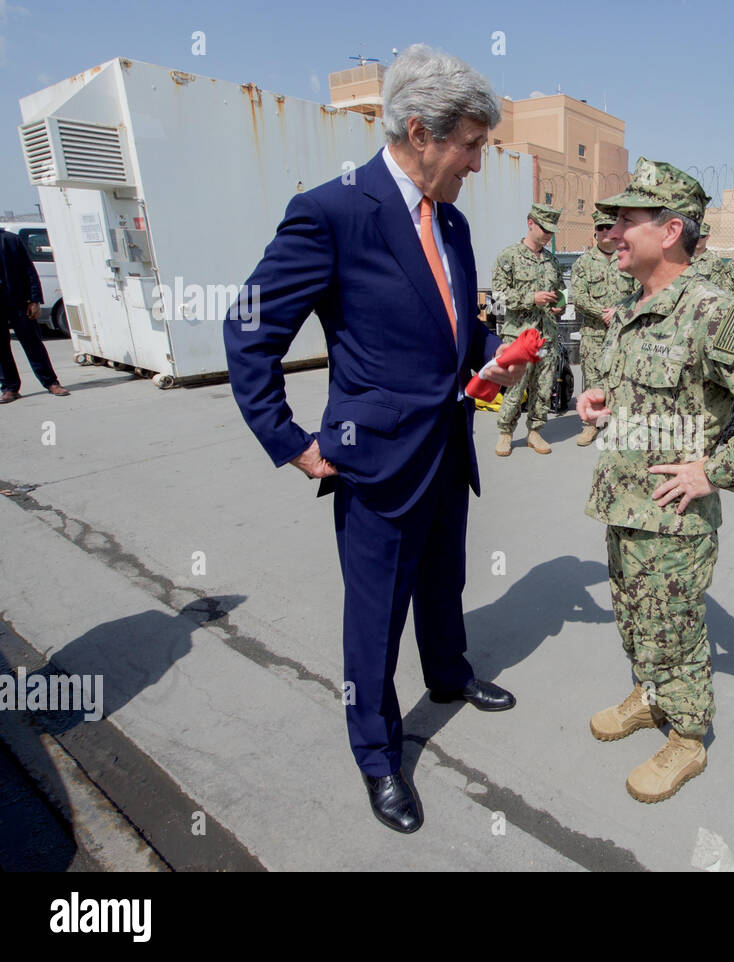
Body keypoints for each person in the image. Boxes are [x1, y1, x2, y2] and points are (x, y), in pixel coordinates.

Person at [223, 45, 525, 835]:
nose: (478, 165)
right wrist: (291, 441)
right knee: (375, 619)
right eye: (472, 147)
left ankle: (450, 675)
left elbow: (454, 328)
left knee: (445, 581)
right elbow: (248, 329)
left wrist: (492, 357)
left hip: (447, 444)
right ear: (420, 133)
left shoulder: (451, 221)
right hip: (376, 460)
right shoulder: (332, 213)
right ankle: (377, 753)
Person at [576, 158, 734, 803]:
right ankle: (650, 695)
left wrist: (715, 470)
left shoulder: (712, 313)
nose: (612, 233)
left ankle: (687, 736)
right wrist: (602, 400)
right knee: (634, 616)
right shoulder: (634, 308)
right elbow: (650, 394)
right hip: (624, 503)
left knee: (675, 630)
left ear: (670, 230)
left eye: (626, 221)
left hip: (672, 520)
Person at [491, 203, 565, 455]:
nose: (548, 235)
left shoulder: (552, 261)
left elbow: (561, 293)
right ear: (530, 223)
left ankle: (535, 431)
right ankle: (505, 432)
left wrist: (559, 305)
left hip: (547, 336)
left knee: (543, 386)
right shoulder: (508, 257)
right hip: (519, 335)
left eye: (552, 231)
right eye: (545, 229)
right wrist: (530, 298)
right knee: (516, 386)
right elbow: (497, 300)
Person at [570, 208, 635, 446]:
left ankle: (620, 425)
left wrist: (619, 311)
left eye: (610, 226)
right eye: (601, 228)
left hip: (623, 332)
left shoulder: (628, 258)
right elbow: (579, 297)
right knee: (593, 378)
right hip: (594, 334)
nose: (606, 231)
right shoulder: (583, 263)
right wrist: (602, 313)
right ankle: (590, 425)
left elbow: (640, 291)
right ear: (595, 232)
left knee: (624, 378)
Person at [1, 227, 70, 403]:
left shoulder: (10, 240)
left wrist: (35, 300)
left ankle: (51, 382)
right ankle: (10, 388)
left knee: (33, 344)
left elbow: (29, 270)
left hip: (19, 302)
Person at [683, 222, 728, 287]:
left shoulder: (714, 262)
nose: (698, 239)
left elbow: (716, 288)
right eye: (696, 236)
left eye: (702, 236)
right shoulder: (682, 258)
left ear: (708, 237)